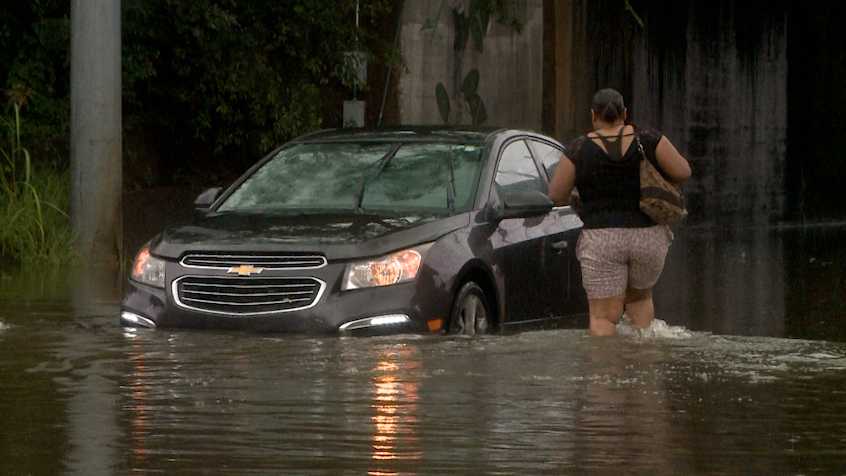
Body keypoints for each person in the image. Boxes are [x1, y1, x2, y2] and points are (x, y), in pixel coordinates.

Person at [548, 88, 691, 336]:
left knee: (603, 317)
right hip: (647, 238)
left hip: (602, 239)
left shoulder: (579, 148)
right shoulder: (648, 139)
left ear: (593, 115)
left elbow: (556, 194)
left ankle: (609, 362)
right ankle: (643, 358)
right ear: (624, 113)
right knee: (640, 301)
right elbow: (683, 171)